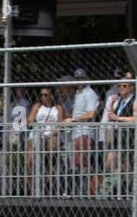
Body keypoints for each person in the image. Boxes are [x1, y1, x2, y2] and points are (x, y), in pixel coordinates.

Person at [60, 67, 100, 195]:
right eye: (77, 78)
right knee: (77, 163)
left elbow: (90, 114)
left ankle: (86, 192)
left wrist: (72, 120)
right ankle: (79, 191)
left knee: (83, 163)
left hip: (85, 132)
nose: (79, 80)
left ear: (86, 78)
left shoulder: (90, 93)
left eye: (81, 78)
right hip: (76, 133)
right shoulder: (78, 94)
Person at [28, 86, 63, 194]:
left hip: (51, 134)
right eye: (41, 95)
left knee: (52, 147)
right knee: (30, 161)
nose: (43, 97)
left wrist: (54, 131)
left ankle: (45, 186)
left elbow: (61, 123)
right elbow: (30, 120)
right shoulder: (37, 106)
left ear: (51, 96)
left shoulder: (57, 107)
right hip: (37, 134)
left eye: (45, 95)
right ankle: (32, 189)